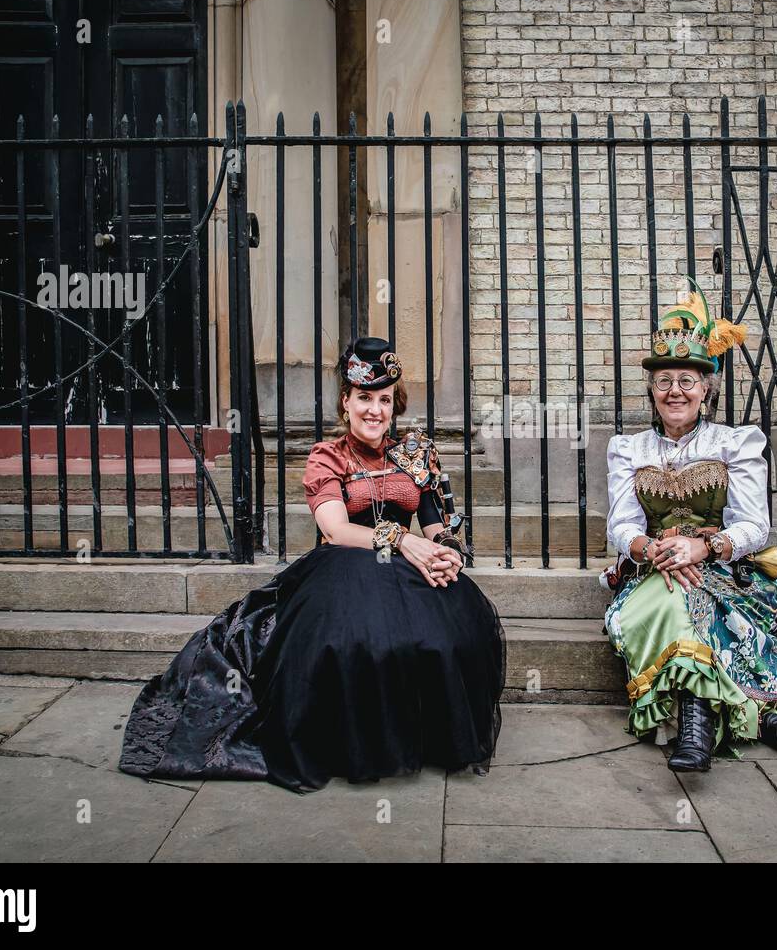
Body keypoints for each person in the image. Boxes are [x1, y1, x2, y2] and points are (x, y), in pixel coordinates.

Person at [119, 337, 505, 791]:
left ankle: (425, 738)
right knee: (358, 642)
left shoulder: (415, 452)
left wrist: (444, 553)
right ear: (346, 401)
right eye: (365, 398)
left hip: (405, 567)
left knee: (448, 633)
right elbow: (337, 530)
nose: (375, 411)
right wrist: (404, 542)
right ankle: (356, 743)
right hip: (344, 567)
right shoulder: (327, 457)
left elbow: (433, 521)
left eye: (384, 400)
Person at [602, 287, 777, 772]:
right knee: (669, 597)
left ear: (707, 389)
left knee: (690, 599)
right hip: (654, 568)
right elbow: (622, 524)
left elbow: (755, 526)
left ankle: (693, 732)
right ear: (651, 391)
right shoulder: (628, 449)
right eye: (664, 381)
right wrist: (650, 549)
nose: (676, 391)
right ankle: (708, 722)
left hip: (724, 569)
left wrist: (703, 547)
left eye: (687, 380)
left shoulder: (736, 443)